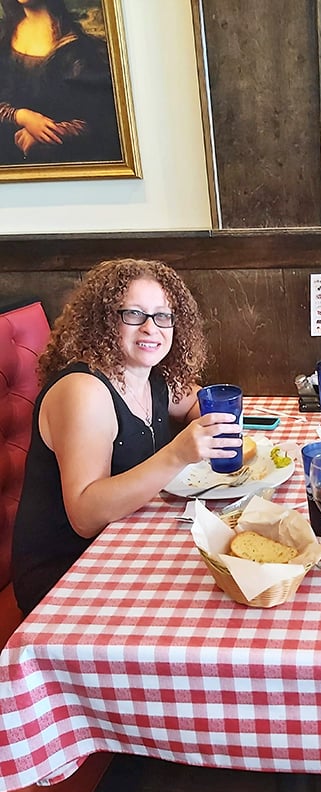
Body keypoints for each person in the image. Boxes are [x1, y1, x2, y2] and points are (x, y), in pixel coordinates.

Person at [12, 258, 241, 616]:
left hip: (125, 545)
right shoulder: (83, 390)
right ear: (103, 321)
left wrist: (214, 418)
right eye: (133, 314)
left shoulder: (152, 375)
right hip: (66, 576)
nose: (152, 328)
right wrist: (177, 454)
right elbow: (85, 517)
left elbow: (198, 402)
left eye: (163, 316)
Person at [0, 0, 120, 165]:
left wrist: (47, 134)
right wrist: (21, 116)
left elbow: (98, 120)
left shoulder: (76, 49)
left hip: (57, 165)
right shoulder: (4, 35)